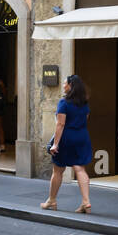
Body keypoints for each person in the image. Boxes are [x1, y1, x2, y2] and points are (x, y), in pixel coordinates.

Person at [41, 74, 93, 213]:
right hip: (82, 136)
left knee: (58, 170)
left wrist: (55, 144)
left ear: (71, 86)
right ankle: (86, 201)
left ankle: (51, 200)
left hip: (67, 137)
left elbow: (60, 124)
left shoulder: (64, 103)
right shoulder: (84, 103)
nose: (63, 85)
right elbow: (85, 119)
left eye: (65, 83)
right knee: (80, 169)